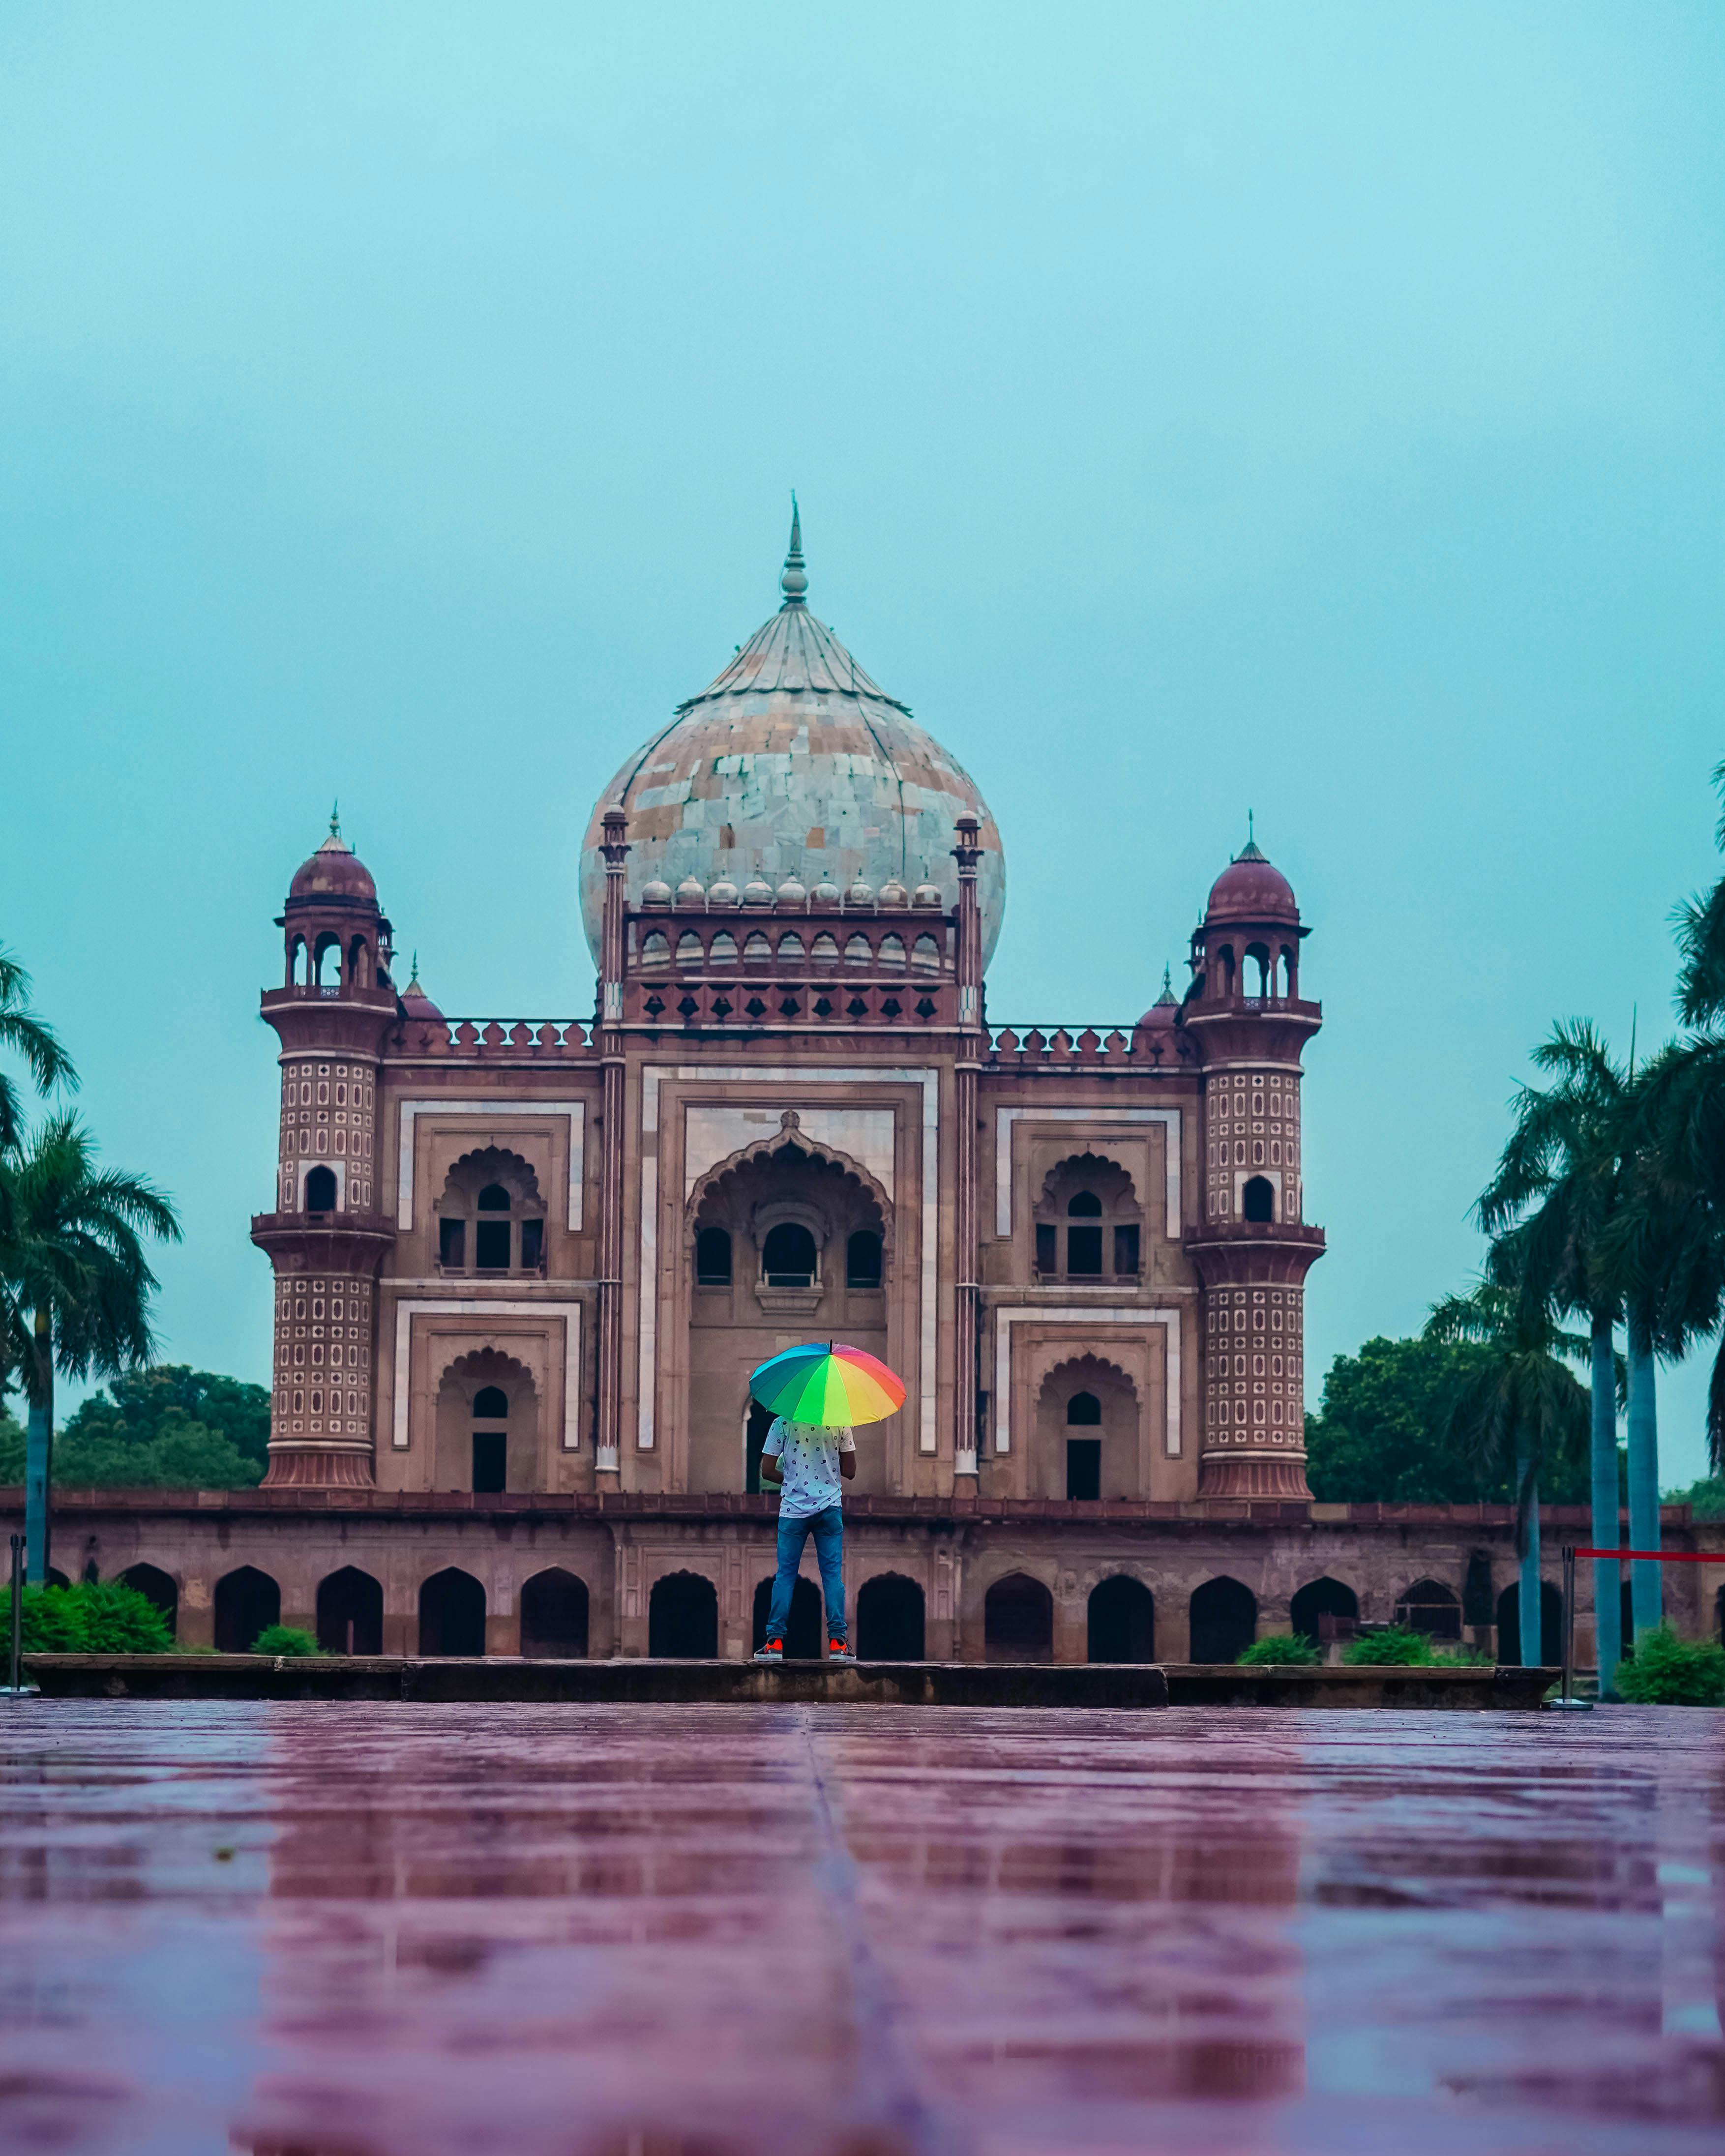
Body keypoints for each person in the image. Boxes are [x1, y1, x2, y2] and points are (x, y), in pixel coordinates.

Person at [754, 1414, 856, 1661]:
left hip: (793, 1510)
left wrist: (792, 1478)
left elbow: (767, 1470)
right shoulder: (840, 1421)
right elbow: (851, 1471)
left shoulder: (783, 1423)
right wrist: (827, 1467)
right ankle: (838, 1644)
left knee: (785, 1577)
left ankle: (775, 1643)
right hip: (830, 1509)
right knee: (832, 1578)